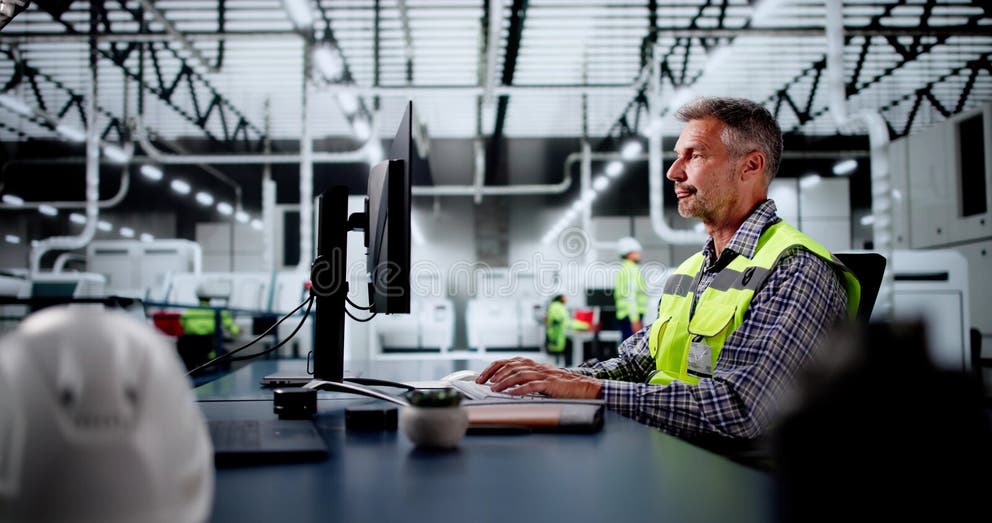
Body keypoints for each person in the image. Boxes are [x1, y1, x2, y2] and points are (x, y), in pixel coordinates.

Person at [478, 97, 860, 441]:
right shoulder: (692, 269)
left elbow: (741, 408)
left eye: (694, 155)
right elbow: (635, 363)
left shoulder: (795, 268)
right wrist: (558, 379)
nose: (673, 172)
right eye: (678, 155)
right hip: (670, 450)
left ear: (751, 165)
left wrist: (589, 391)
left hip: (735, 477)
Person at [614, 236, 648, 340]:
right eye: (636, 252)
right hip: (631, 316)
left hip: (626, 315)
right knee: (631, 350)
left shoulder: (624, 269)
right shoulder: (631, 270)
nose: (639, 254)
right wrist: (635, 319)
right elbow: (630, 296)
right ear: (629, 253)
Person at [545, 294, 590, 367]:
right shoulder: (558, 307)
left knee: (559, 360)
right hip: (558, 336)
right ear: (560, 298)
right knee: (564, 357)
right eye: (565, 297)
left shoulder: (554, 306)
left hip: (556, 335)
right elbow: (566, 323)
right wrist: (585, 325)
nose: (566, 299)